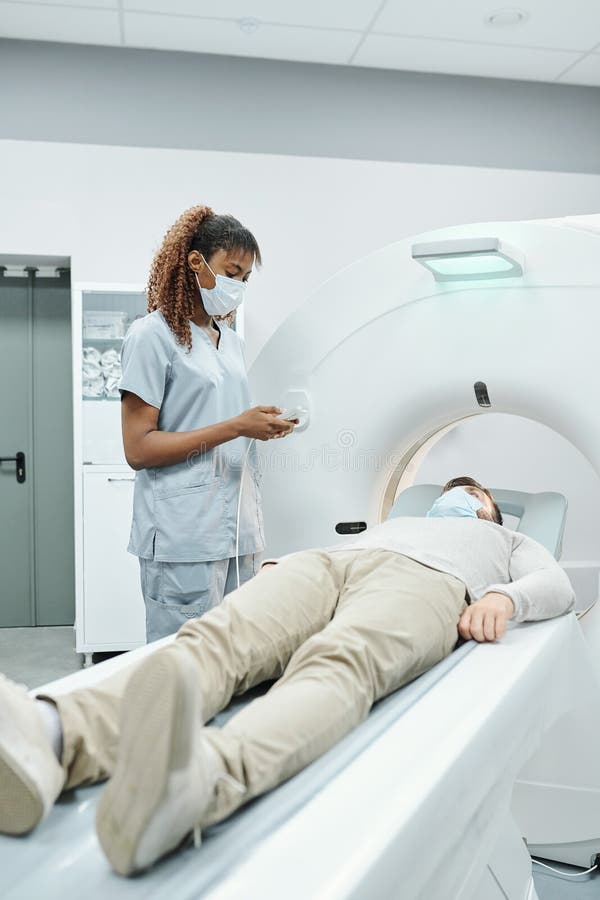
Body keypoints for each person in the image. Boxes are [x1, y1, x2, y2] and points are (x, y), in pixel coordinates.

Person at [0, 476, 574, 876]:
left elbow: (556, 585)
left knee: (337, 664)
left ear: (487, 510)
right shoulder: (390, 522)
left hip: (430, 582)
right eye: (450, 492)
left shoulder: (503, 540)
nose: (455, 498)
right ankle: (51, 738)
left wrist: (504, 597)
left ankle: (197, 785)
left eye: (470, 494)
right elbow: (336, 551)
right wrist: (289, 560)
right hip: (328, 562)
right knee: (214, 640)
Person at [119, 204, 296, 641]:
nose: (237, 286)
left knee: (240, 657)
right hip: (185, 533)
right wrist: (237, 426)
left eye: (246, 279)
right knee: (185, 668)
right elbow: (138, 449)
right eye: (231, 272)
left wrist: (262, 425)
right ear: (196, 263)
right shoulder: (150, 337)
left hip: (239, 529)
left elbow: (226, 421)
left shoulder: (229, 343)